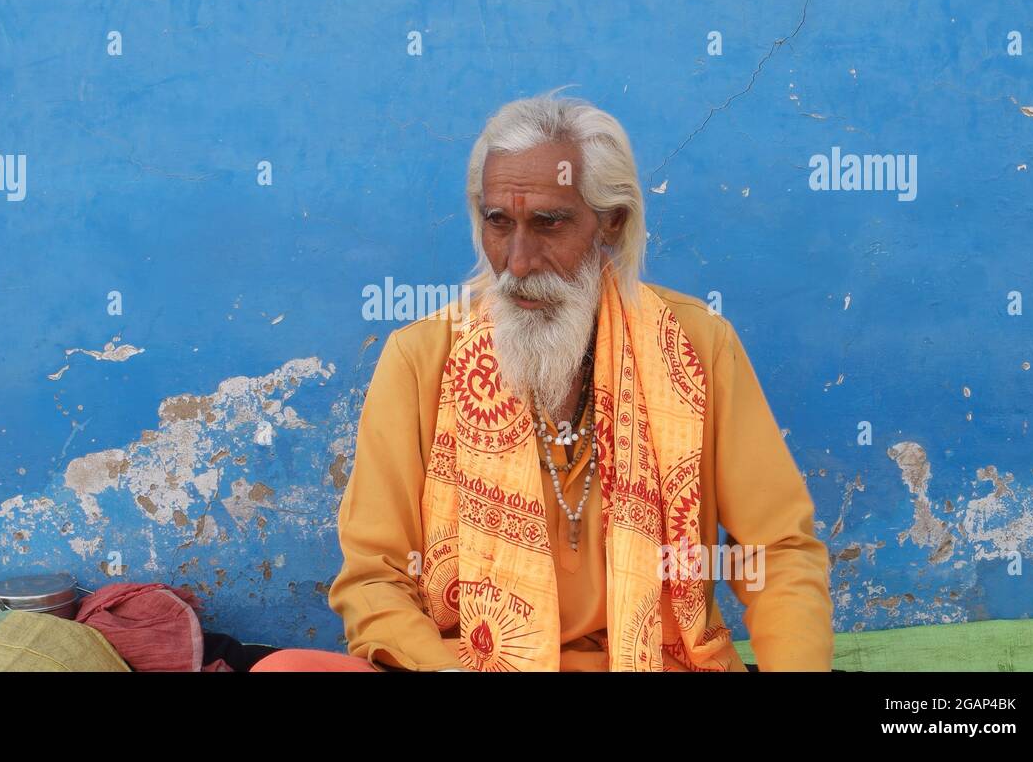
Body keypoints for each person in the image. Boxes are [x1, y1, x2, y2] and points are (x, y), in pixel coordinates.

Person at [271, 90, 833, 672]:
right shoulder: (420, 357)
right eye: (498, 223)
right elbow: (373, 580)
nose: (517, 263)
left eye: (549, 224)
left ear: (611, 223)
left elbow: (779, 553)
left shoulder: (697, 345)